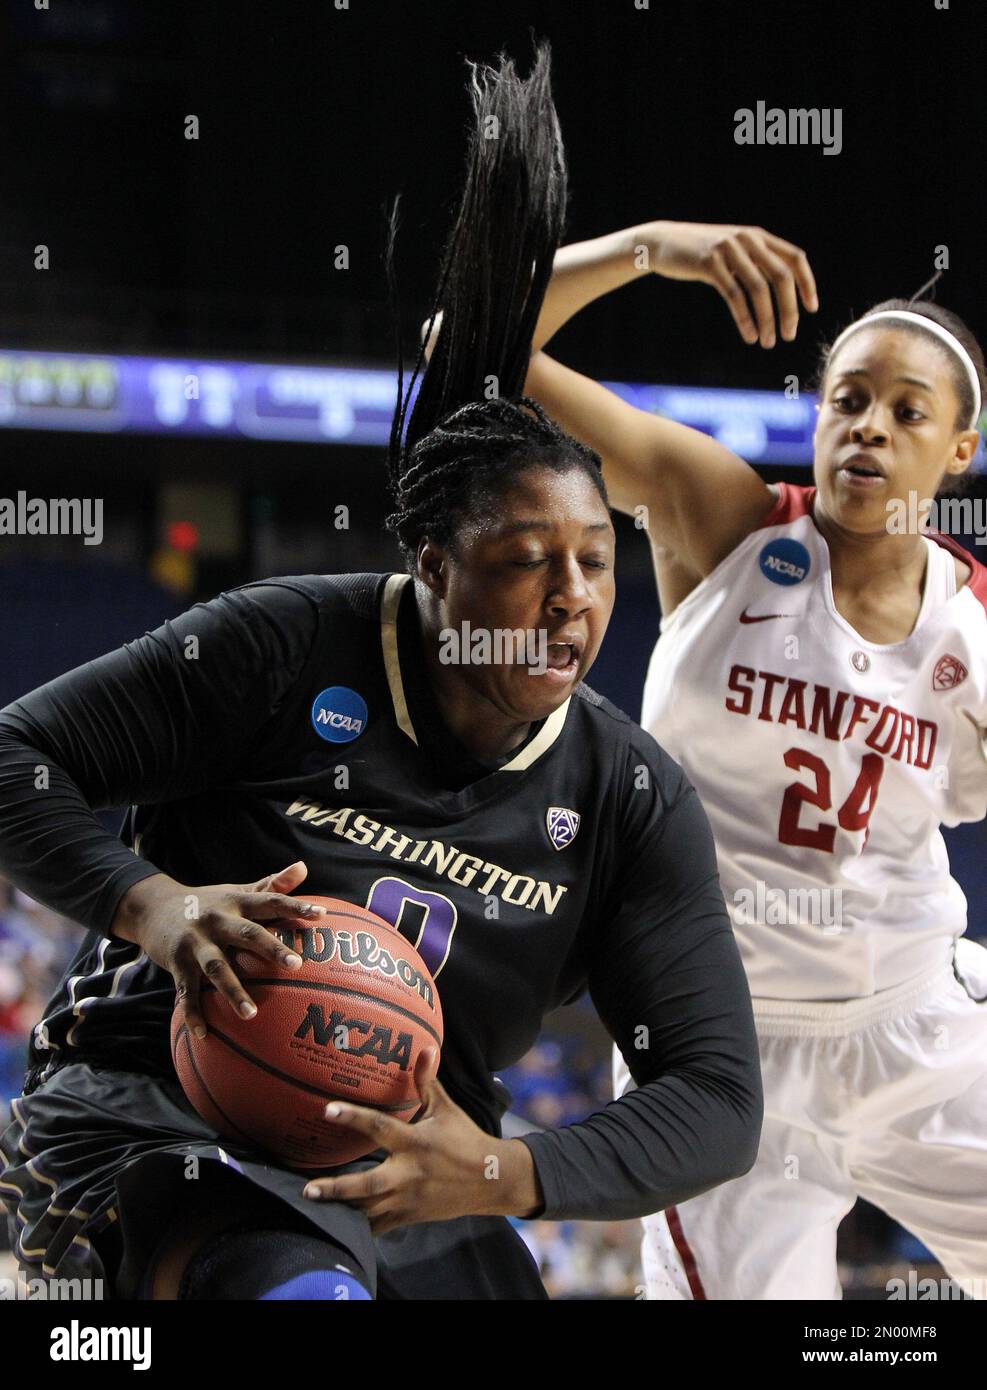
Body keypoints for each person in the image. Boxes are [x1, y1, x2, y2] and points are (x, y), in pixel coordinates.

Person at [0, 51, 761, 1303]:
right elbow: (16, 754)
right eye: (526, 562)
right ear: (432, 566)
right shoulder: (281, 646)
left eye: (595, 559)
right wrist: (156, 906)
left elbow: (720, 1099)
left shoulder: (627, 794)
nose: (572, 597)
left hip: (412, 1170)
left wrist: (515, 1170)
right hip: (158, 1111)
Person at [524, 219, 987, 1299]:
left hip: (916, 1028)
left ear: (959, 450)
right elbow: (472, 343)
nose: (867, 429)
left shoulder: (975, 635)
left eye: (905, 411)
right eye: (847, 400)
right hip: (716, 1048)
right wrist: (651, 249)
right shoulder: (723, 516)